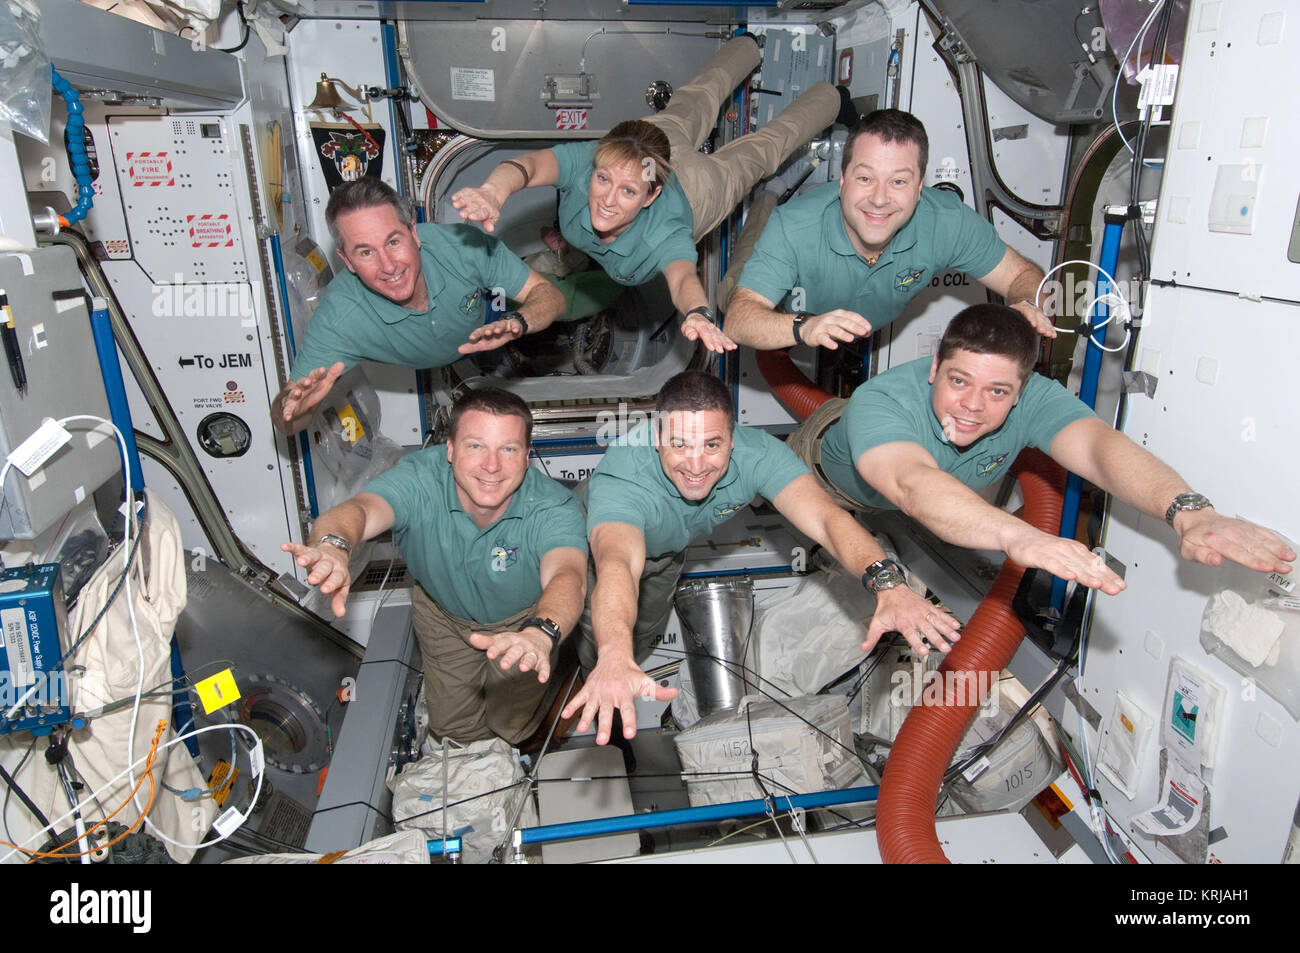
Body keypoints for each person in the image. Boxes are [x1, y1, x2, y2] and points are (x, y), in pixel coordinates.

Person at [562, 371, 961, 746]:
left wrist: (889, 585)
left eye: (712, 445)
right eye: (679, 444)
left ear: (732, 439)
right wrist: (614, 654)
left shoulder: (758, 455)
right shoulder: (624, 476)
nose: (696, 465)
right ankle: (592, 688)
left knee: (641, 635)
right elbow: (616, 563)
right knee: (601, 641)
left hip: (664, 552)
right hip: (593, 546)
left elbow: (826, 518)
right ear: (656, 439)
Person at [798, 304, 1296, 591]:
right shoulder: (880, 402)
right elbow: (913, 484)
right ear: (932, 370)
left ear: (1021, 390)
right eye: (957, 381)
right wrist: (1018, 536)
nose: (972, 405)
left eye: (998, 392)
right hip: (825, 473)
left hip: (921, 500)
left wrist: (1190, 512)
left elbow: (1101, 448)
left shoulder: (1034, 399)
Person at [450, 36, 842, 355]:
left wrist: (699, 312)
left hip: (698, 190)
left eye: (627, 193)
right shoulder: (594, 160)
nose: (607, 200)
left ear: (650, 197)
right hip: (653, 145)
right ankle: (749, 45)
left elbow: (683, 278)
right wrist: (493, 191)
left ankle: (832, 97)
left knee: (761, 151)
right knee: (699, 97)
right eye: (603, 180)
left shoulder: (665, 235)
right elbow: (529, 167)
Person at [281, 388, 588, 746]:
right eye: (476, 446)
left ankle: (563, 668)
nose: (492, 465)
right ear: (451, 450)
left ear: (525, 457)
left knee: (511, 726)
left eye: (508, 449)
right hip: (442, 615)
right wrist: (334, 544)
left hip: (522, 624)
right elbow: (362, 510)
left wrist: (542, 633)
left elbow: (569, 576)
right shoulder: (420, 480)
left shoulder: (552, 507)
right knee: (454, 729)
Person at [723, 109, 1057, 351]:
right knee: (731, 285)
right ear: (842, 179)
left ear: (920, 186)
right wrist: (805, 326)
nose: (879, 199)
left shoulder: (946, 221)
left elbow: (1022, 276)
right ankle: (768, 193)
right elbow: (739, 319)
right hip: (791, 318)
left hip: (863, 328)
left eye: (898, 181)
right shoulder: (793, 226)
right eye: (865, 178)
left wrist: (1026, 303)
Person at [272, 178, 566, 434]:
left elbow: (550, 296)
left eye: (393, 242)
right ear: (347, 261)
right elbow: (285, 420)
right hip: (442, 350)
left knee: (569, 294)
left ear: (414, 233)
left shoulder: (463, 248)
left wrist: (520, 321)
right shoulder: (339, 320)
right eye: (365, 252)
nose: (388, 266)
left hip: (493, 310)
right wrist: (294, 410)